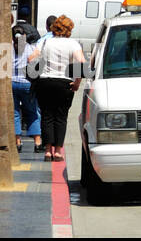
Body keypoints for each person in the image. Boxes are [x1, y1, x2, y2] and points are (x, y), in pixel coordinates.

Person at [27, 15, 85, 162]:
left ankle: (47, 151)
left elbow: (31, 59)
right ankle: (58, 151)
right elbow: (81, 62)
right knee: (61, 117)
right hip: (64, 83)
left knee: (46, 116)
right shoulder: (73, 44)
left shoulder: (46, 42)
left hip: (45, 82)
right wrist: (77, 82)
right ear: (69, 29)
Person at [11, 18, 41, 153]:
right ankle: (37, 142)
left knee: (15, 113)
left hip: (11, 84)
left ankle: (17, 142)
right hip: (27, 84)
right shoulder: (29, 48)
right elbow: (36, 62)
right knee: (32, 112)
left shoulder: (7, 47)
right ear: (24, 35)